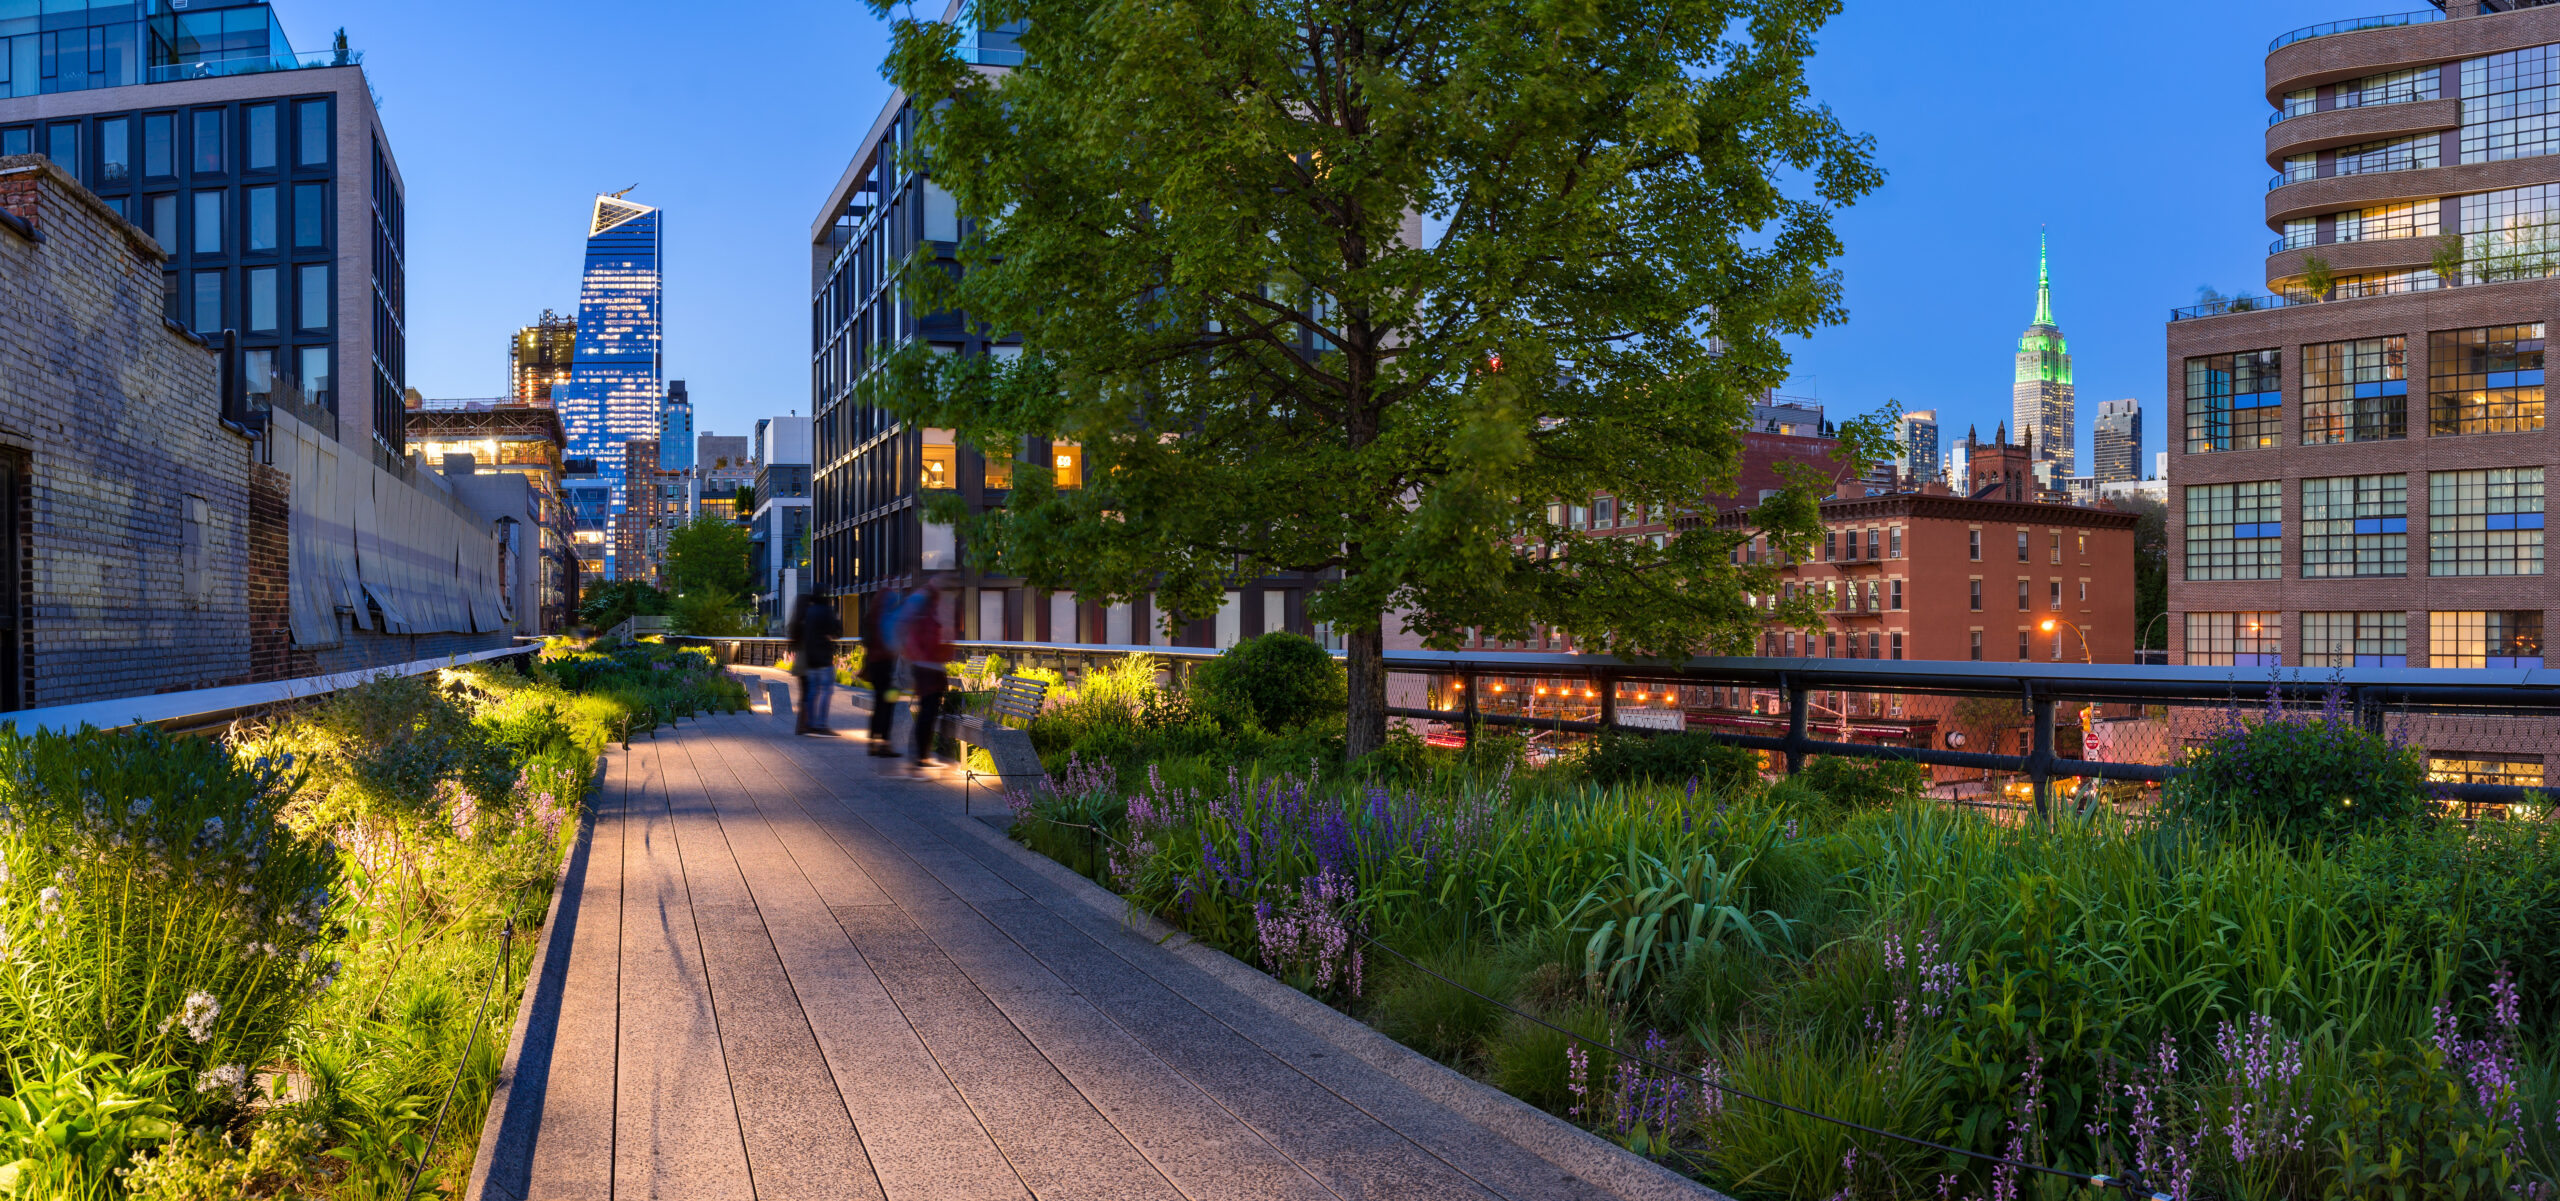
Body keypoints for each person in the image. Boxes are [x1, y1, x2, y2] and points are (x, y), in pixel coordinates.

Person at [902, 578, 953, 771]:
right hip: (929, 670)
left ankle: (920, 753)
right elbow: (933, 644)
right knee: (928, 713)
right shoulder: (929, 615)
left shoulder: (922, 613)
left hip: (924, 668)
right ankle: (920, 755)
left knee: (926, 712)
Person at [787, 593, 842, 736]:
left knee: (806, 694)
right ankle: (808, 725)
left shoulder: (797, 622)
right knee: (811, 693)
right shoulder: (807, 621)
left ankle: (803, 725)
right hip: (809, 661)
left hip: (801, 662)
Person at [857, 592, 900, 755]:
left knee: (879, 703)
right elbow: (892, 642)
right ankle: (884, 743)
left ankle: (873, 742)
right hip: (885, 666)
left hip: (874, 665)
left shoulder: (870, 618)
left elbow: (866, 640)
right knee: (887, 704)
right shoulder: (886, 618)